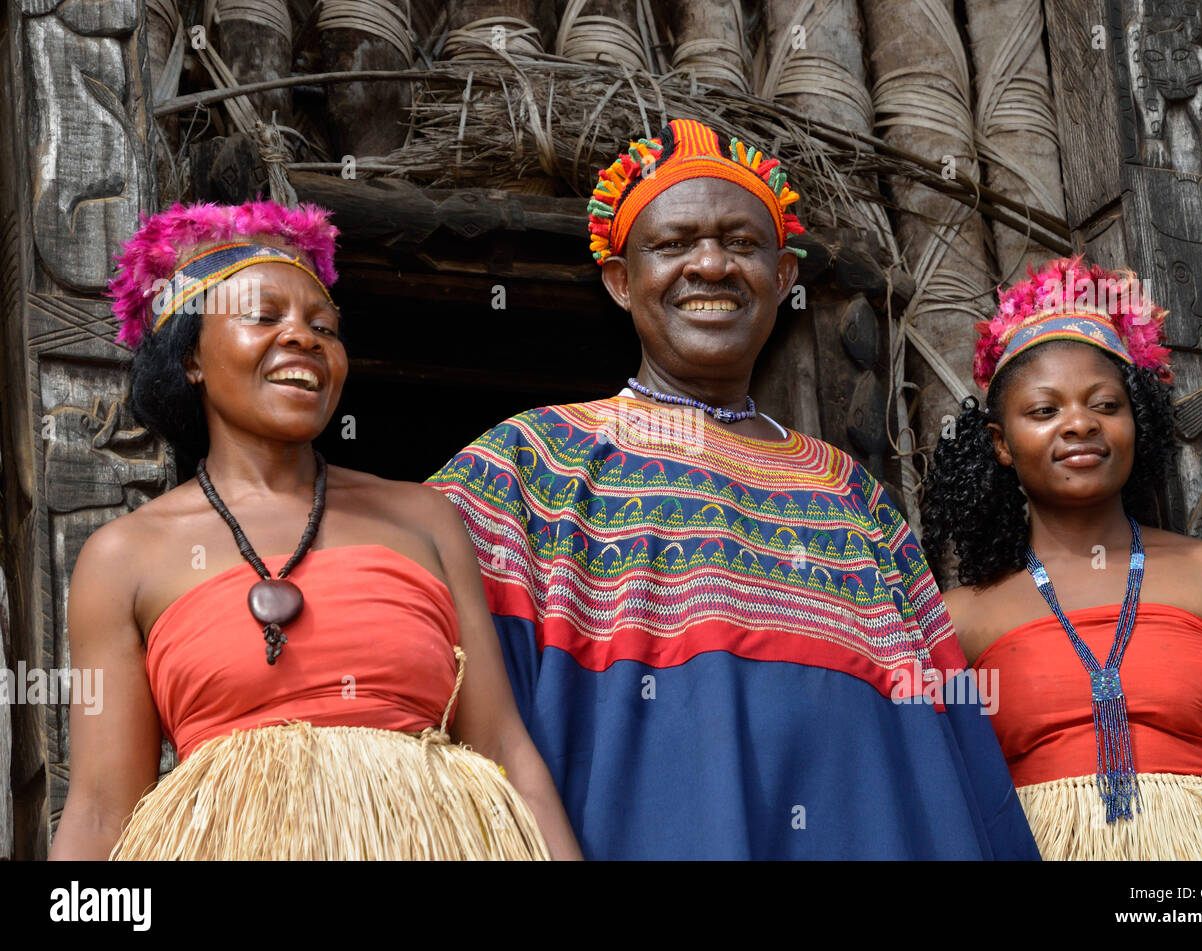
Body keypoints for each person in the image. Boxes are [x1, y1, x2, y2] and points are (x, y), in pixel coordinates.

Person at [426, 117, 1040, 859]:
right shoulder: (534, 462)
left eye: (742, 243)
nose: (711, 264)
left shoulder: (856, 497)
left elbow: (948, 747)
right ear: (621, 281)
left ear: (784, 277)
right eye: (674, 244)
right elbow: (412, 663)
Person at [50, 200, 582, 860]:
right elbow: (104, 807)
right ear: (190, 357)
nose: (304, 337)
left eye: (324, 326)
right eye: (262, 316)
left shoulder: (422, 518)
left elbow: (503, 747)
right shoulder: (125, 556)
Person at [922, 256, 1202, 860]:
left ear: (1136, 423)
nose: (1079, 425)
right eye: (1045, 411)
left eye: (1105, 405)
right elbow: (941, 808)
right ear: (1001, 443)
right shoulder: (958, 618)